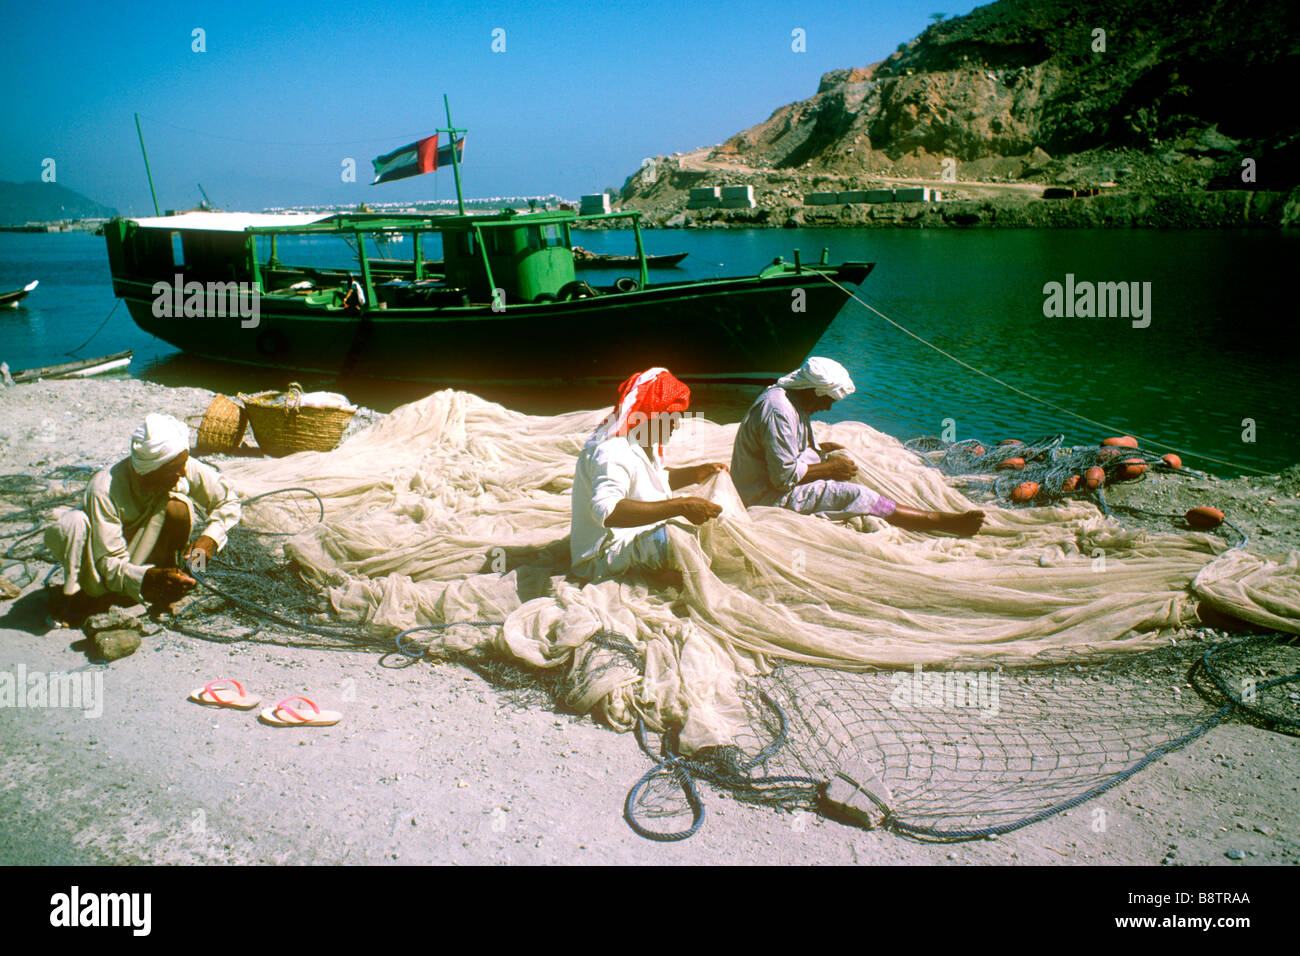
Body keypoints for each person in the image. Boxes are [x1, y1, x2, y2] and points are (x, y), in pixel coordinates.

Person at [730, 357, 984, 536]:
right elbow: (782, 477)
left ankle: (893, 509)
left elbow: (789, 447)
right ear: (812, 391)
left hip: (772, 477)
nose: (828, 408)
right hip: (764, 495)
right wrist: (829, 469)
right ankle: (937, 521)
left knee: (841, 460)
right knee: (855, 494)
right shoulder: (779, 410)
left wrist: (824, 454)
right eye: (828, 400)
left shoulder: (790, 398)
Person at [44, 413, 242, 625]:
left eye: (183, 464)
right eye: (174, 470)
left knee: (178, 507)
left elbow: (228, 500)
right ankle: (80, 596)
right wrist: (149, 578)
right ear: (147, 473)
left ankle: (181, 575)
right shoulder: (104, 488)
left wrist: (210, 539)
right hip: (107, 557)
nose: (183, 473)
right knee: (72, 523)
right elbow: (109, 562)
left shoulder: (178, 462)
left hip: (146, 549)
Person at [570, 367, 729, 581]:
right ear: (650, 416)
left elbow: (651, 482)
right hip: (605, 554)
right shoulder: (612, 450)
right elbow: (607, 511)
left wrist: (696, 473)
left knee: (709, 531)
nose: (676, 424)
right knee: (679, 537)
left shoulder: (644, 440)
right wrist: (680, 506)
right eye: (672, 417)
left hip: (634, 536)